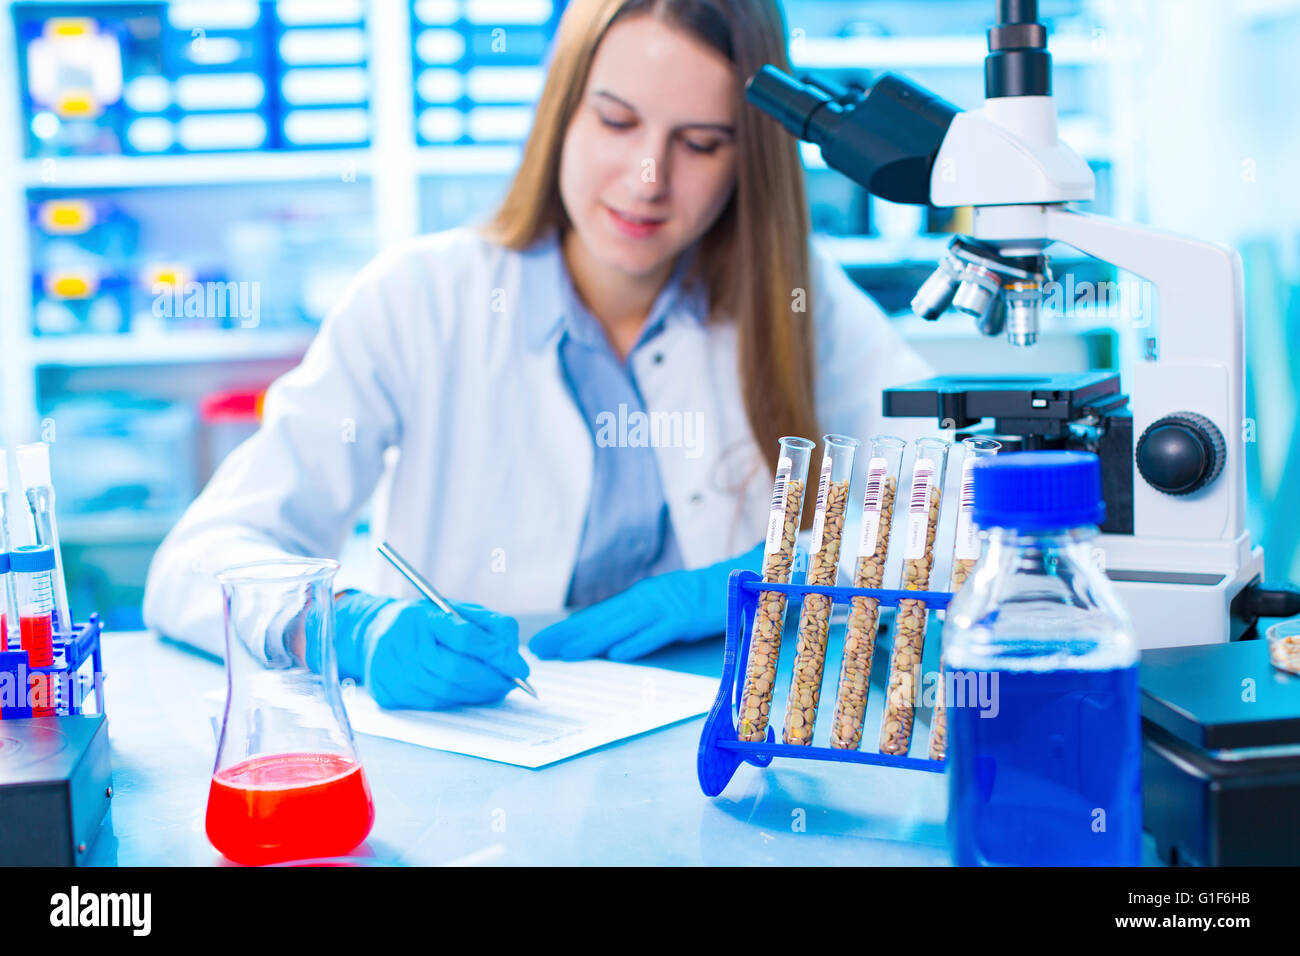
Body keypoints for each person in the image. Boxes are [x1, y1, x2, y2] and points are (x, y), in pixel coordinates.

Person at [143, 0, 933, 710]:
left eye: (699, 143)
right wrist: (351, 627)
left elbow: (962, 506)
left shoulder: (799, 300)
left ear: (749, 161)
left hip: (722, 766)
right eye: (616, 123)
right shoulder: (420, 297)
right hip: (481, 765)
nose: (647, 180)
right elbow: (197, 562)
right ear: (561, 114)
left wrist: (786, 578)